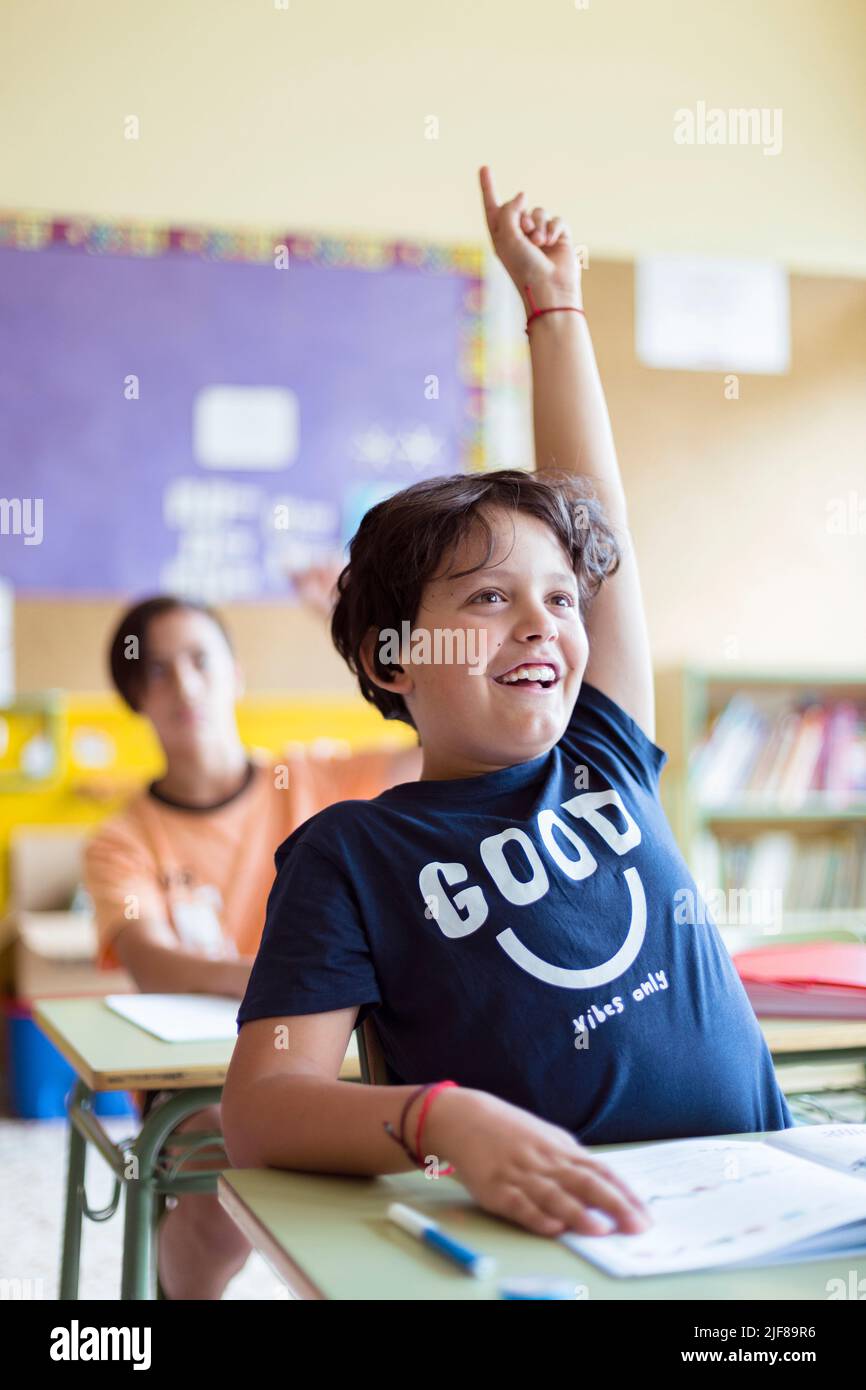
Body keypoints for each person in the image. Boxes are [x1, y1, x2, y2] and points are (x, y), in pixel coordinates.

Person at [222, 165, 793, 1245]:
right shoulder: (348, 855)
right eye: (487, 599)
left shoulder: (602, 752)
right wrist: (445, 1122)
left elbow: (594, 519)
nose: (541, 624)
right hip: (557, 1243)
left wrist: (554, 306)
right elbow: (258, 1110)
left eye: (559, 601)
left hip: (759, 1204)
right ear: (393, 658)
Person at [84, 587, 420, 1299]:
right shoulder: (121, 838)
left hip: (345, 1055)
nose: (185, 684)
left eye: (202, 660)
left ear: (237, 676)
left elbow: (438, 735)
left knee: (404, 1171)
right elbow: (151, 959)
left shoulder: (313, 777)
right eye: (160, 671)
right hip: (200, 1077)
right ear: (136, 698)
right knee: (229, 1172)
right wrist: (292, 982)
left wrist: (354, 614)